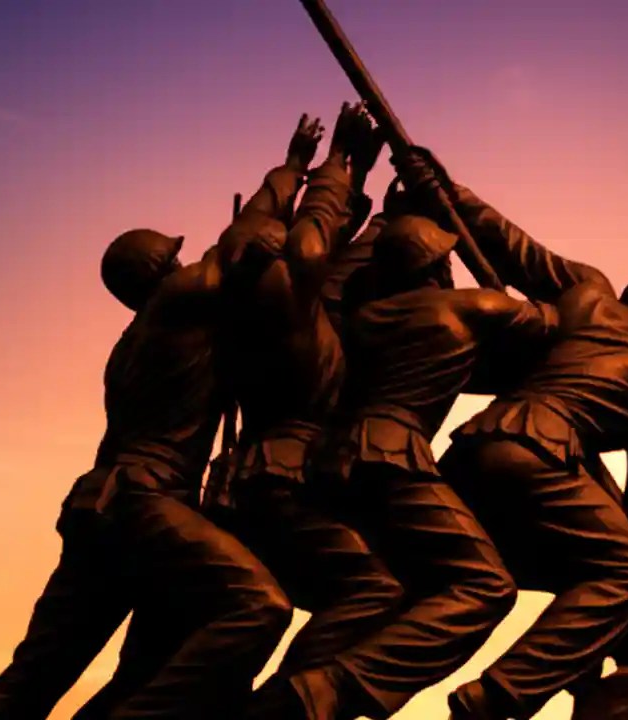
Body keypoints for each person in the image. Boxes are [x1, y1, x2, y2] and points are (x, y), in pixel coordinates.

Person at [391, 149, 628, 720]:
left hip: (470, 452)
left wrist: (445, 191)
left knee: (543, 574)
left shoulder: (588, 294)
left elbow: (510, 247)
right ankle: (496, 696)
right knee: (626, 574)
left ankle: (580, 677)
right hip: (534, 456)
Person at [0, 226, 291, 720]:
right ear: (162, 271)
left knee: (46, 676)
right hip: (144, 503)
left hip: (109, 505)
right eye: (173, 261)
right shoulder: (176, 305)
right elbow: (242, 242)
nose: (184, 266)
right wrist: (300, 164)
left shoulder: (138, 339)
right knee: (258, 605)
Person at [257, 209, 567, 720]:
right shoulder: (470, 308)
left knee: (394, 587)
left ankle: (294, 694)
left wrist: (382, 221)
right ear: (438, 264)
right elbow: (549, 322)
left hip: (333, 464)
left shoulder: (360, 321)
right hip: (394, 457)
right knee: (486, 585)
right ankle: (332, 687)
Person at [208, 105, 411, 720]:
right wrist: (337, 161)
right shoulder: (291, 302)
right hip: (284, 478)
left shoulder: (242, 297)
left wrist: (298, 167)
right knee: (376, 588)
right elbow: (315, 236)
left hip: (248, 475)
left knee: (239, 617)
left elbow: (293, 233)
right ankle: (284, 706)